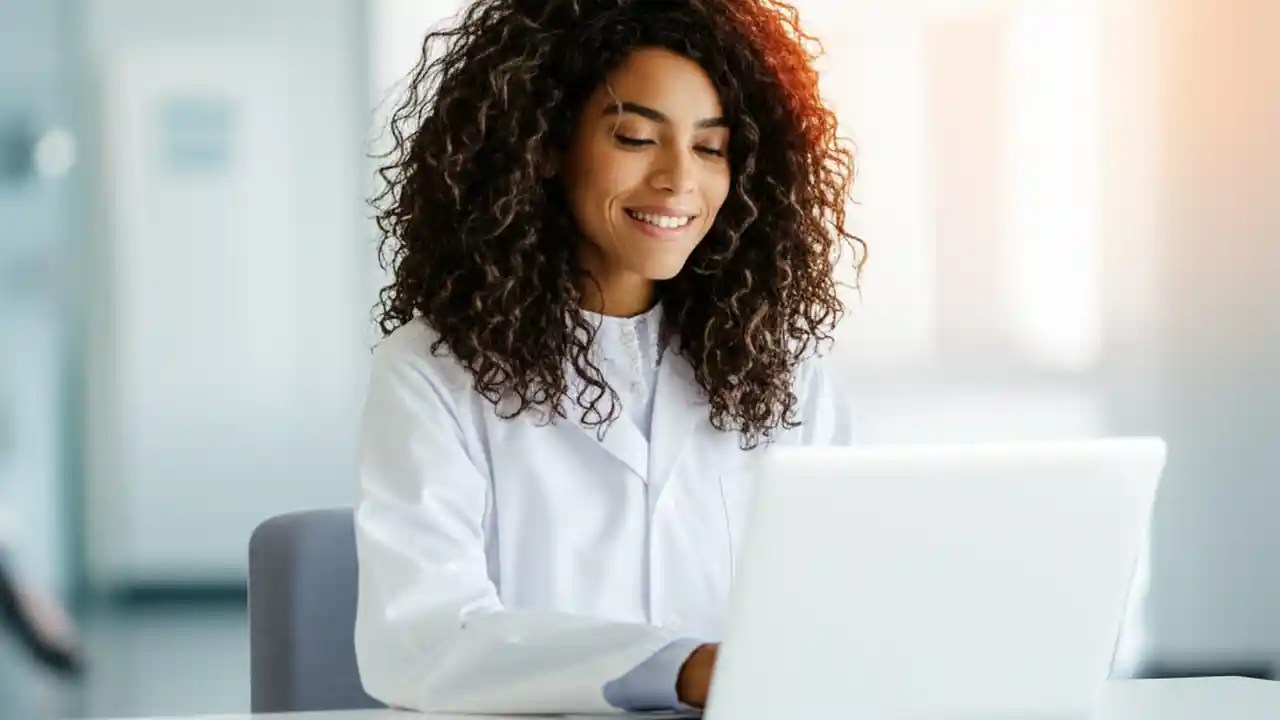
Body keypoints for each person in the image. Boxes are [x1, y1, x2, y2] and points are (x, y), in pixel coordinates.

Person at [354, 0, 862, 713]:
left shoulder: (786, 374)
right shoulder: (433, 371)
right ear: (547, 145)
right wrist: (685, 669)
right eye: (634, 137)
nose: (679, 179)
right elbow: (423, 641)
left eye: (711, 148)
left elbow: (845, 604)